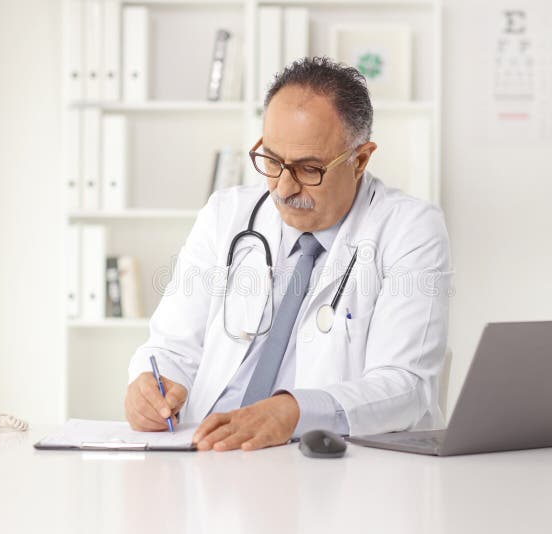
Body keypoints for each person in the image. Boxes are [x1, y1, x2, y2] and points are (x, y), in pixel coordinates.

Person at [125, 57, 452, 452]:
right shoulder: (225, 214)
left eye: (308, 168)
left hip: (325, 462)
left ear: (360, 160)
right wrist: (150, 387)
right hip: (208, 452)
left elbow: (406, 385)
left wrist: (294, 411)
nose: (282, 188)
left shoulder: (409, 228)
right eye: (273, 161)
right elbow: (171, 348)